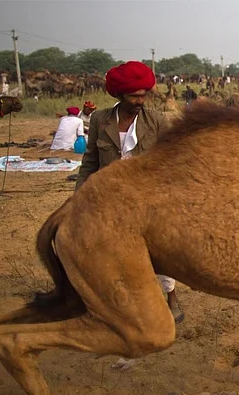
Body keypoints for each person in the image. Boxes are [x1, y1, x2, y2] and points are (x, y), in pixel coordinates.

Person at [76, 61, 184, 324]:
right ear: (119, 95)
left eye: (143, 95)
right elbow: (90, 160)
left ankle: (171, 296)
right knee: (109, 249)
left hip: (146, 198)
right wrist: (79, 195)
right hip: (109, 197)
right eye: (134, 96)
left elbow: (172, 160)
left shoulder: (156, 121)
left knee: (158, 250)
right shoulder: (100, 119)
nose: (140, 101)